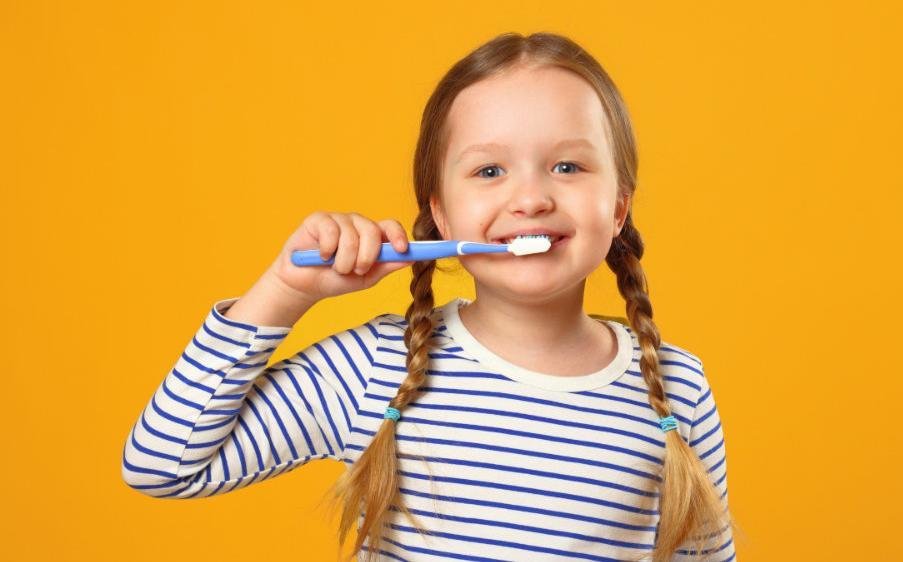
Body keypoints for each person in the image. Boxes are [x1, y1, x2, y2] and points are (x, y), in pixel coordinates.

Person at [121, 31, 739, 562]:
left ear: (619, 207)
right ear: (441, 216)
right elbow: (162, 464)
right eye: (489, 171)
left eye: (568, 167)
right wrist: (284, 291)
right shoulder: (380, 369)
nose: (531, 199)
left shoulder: (677, 389)